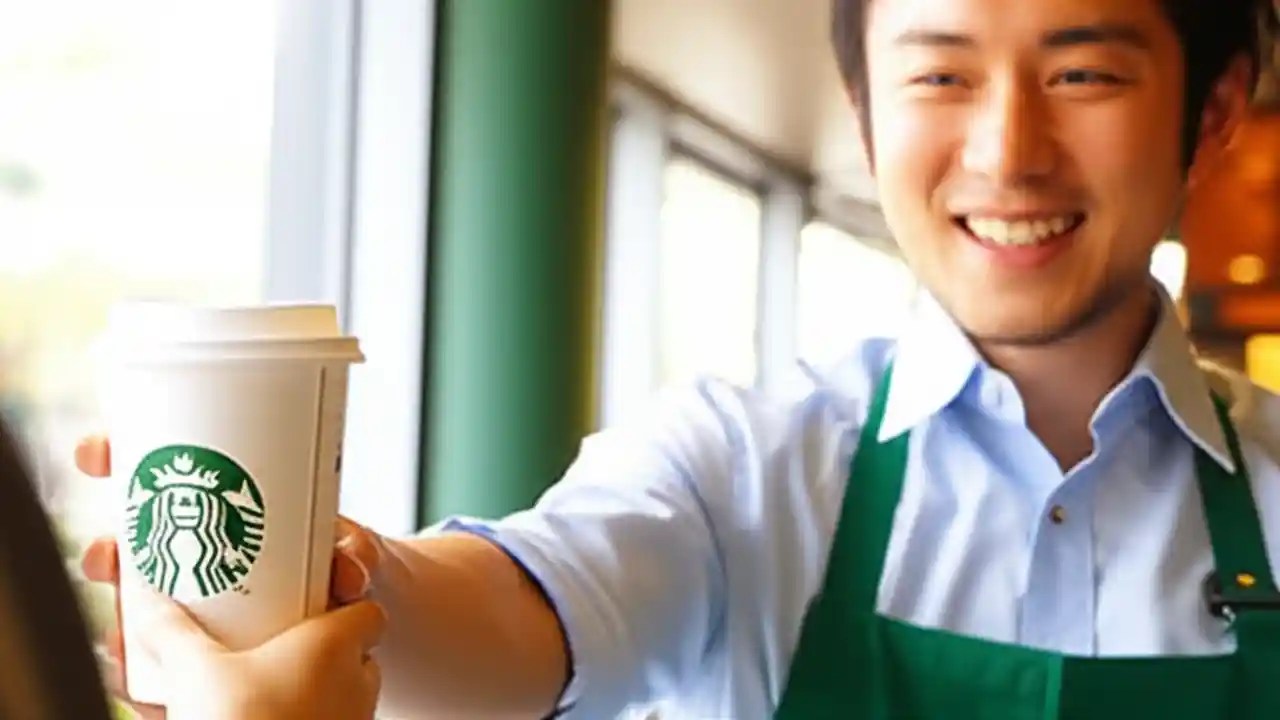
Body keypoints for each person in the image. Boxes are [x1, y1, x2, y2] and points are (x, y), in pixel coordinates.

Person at [80, 0, 1280, 716]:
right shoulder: (743, 465)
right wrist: (307, 582)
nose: (1007, 151)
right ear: (865, 115)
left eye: (1081, 73)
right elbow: (509, 611)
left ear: (1214, 107)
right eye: (939, 74)